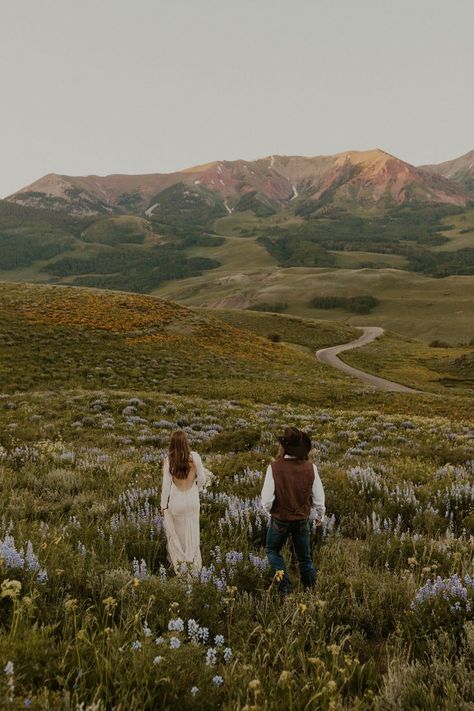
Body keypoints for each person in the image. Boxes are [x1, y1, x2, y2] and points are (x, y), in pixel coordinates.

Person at [261, 426, 325, 594]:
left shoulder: (274, 467)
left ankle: (285, 587)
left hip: (280, 519)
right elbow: (319, 496)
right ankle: (311, 591)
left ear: (284, 447)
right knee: (305, 558)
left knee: (272, 551)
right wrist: (320, 515)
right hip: (302, 518)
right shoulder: (310, 468)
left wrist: (269, 512)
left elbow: (267, 499)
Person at [160, 430, 206, 573]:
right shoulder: (195, 457)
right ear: (186, 442)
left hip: (177, 502)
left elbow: (166, 487)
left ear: (172, 444)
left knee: (178, 538)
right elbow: (203, 479)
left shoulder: (169, 461)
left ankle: (181, 567)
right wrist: (195, 489)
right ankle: (194, 568)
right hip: (192, 501)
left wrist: (163, 506)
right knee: (192, 535)